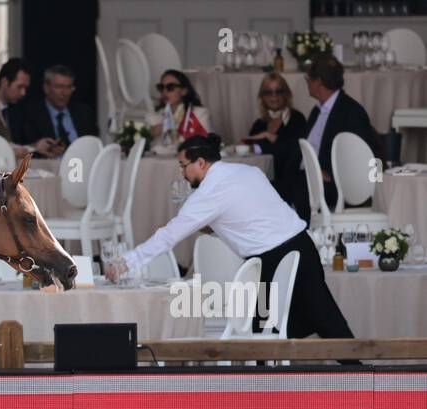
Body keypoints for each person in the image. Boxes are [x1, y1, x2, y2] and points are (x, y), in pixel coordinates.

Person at [106, 134, 357, 348]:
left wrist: (126, 263)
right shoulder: (247, 171)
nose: (182, 173)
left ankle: (357, 375)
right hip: (302, 247)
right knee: (309, 322)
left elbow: (169, 235)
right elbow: (246, 218)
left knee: (279, 330)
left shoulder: (207, 194)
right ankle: (352, 374)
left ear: (201, 162)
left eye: (184, 166)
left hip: (271, 261)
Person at [291, 54, 384, 223]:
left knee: (299, 188)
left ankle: (304, 240)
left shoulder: (351, 112)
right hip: (307, 176)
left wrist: (330, 174)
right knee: (274, 185)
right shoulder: (316, 111)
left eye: (308, 79)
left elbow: (361, 156)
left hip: (339, 185)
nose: (307, 84)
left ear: (318, 81)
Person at [243, 73, 307, 195]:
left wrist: (269, 136)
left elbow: (294, 149)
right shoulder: (260, 123)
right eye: (268, 92)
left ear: (287, 94)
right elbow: (250, 150)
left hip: (289, 185)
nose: (274, 96)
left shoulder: (296, 119)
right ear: (262, 96)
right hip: (261, 182)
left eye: (279, 91)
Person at [18, 64, 99, 157]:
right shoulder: (30, 114)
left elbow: (94, 146)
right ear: (46, 88)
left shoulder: (84, 113)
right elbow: (24, 148)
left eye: (69, 87)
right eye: (59, 87)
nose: (64, 93)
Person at [147, 70, 212, 146]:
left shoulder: (199, 114)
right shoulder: (157, 116)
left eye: (170, 87)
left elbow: (207, 143)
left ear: (184, 91)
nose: (164, 92)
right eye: (161, 87)